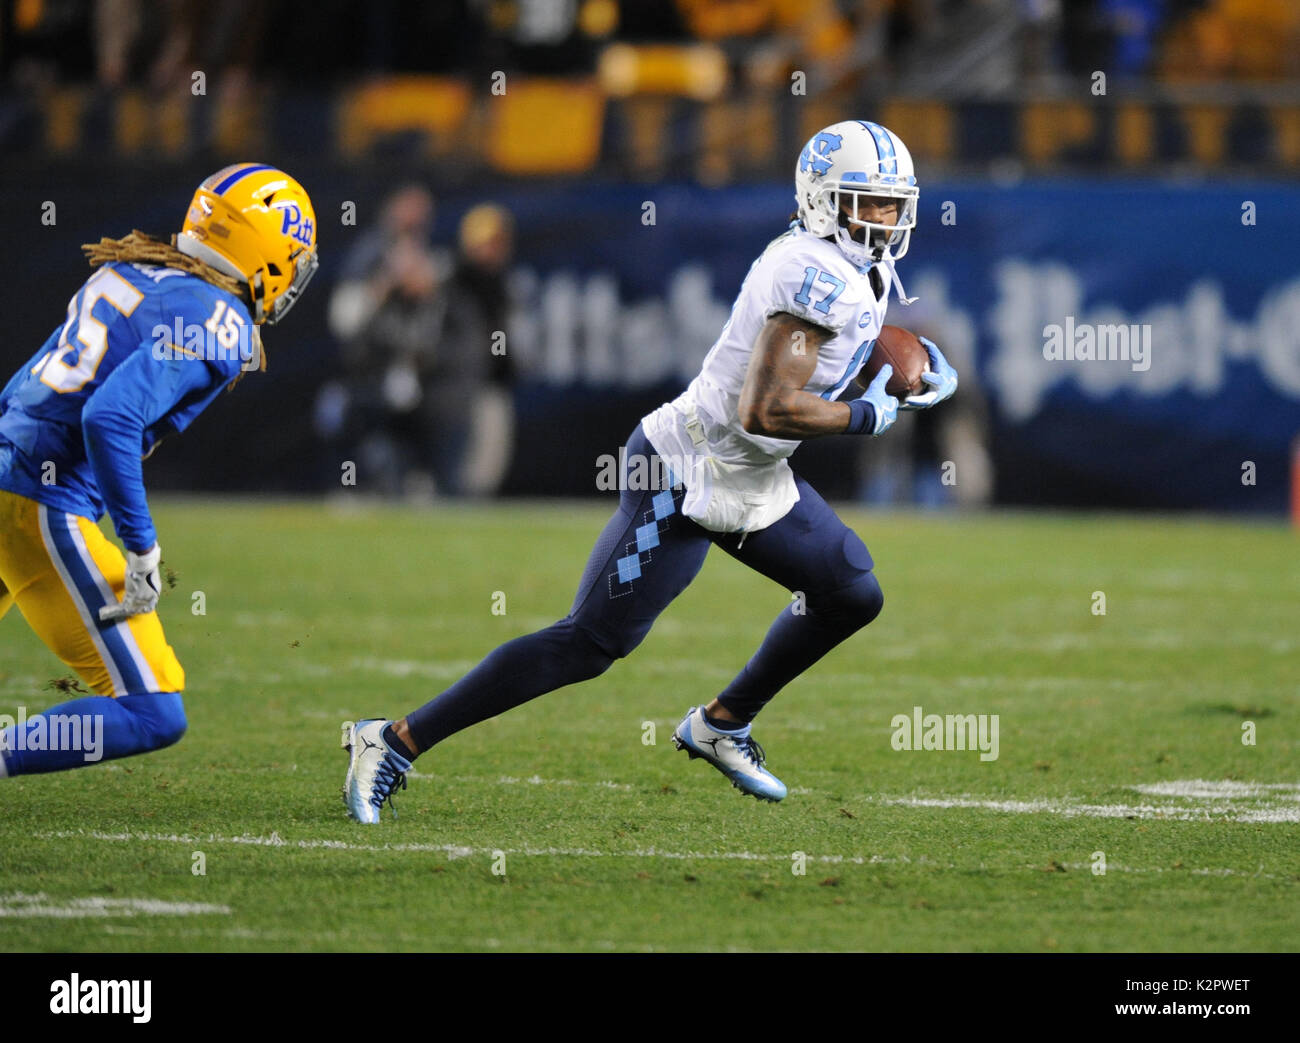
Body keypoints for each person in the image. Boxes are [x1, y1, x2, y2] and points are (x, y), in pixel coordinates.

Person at [341, 121, 958, 823]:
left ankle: (722, 723)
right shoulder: (815, 274)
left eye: (893, 202)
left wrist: (910, 362)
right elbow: (765, 409)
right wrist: (866, 416)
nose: (887, 217)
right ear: (824, 200)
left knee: (851, 591)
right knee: (588, 644)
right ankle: (389, 741)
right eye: (869, 202)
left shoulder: (854, 268)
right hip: (686, 473)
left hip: (753, 477)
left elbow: (838, 348)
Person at [0, 163, 318, 776]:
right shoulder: (221, 317)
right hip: (40, 505)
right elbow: (109, 418)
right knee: (154, 713)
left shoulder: (128, 269)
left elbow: (20, 388)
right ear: (269, 255)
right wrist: (142, 547)